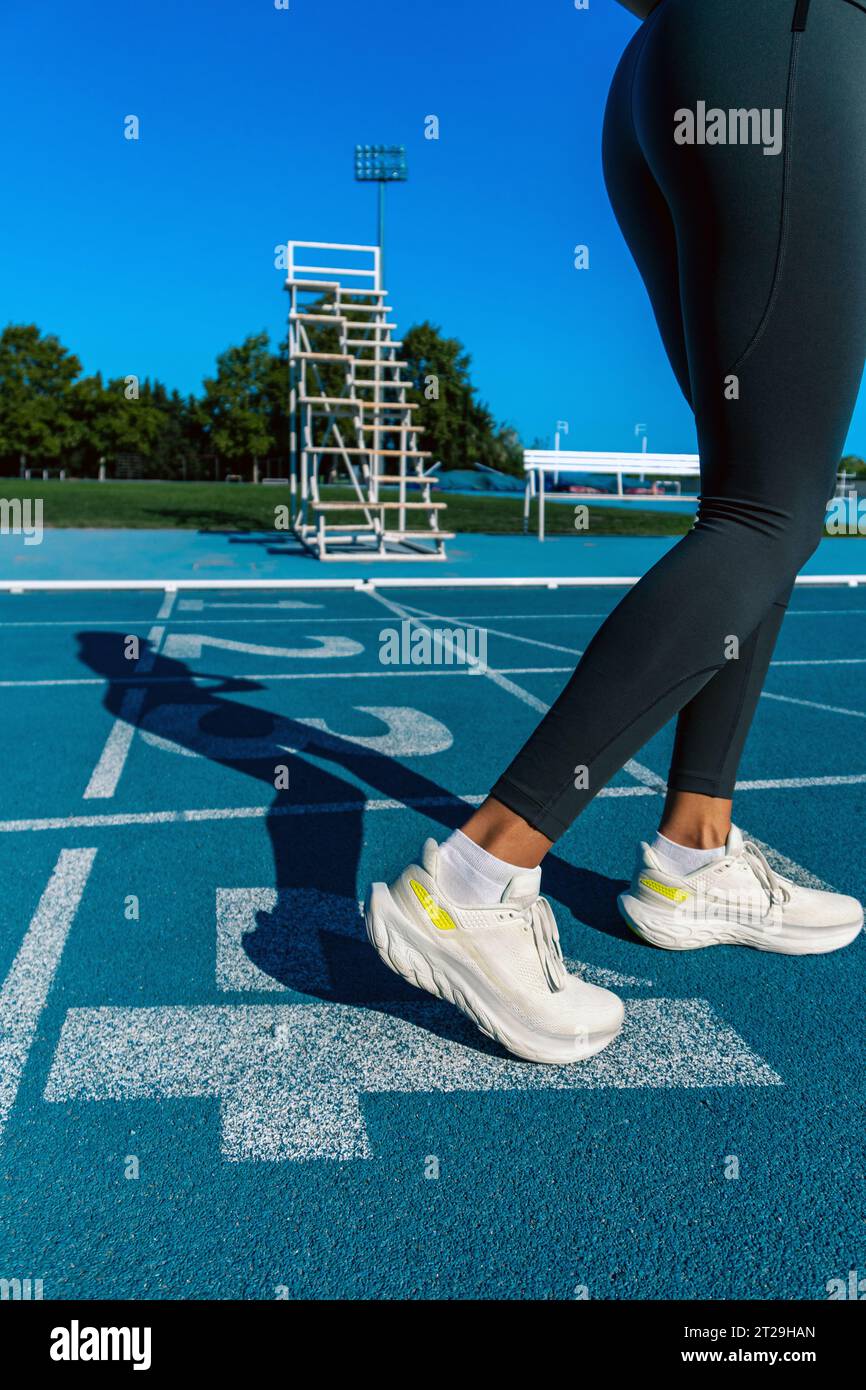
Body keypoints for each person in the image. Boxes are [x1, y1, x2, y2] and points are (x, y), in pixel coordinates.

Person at [365, 0, 866, 1063]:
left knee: (756, 500)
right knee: (766, 509)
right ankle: (470, 881)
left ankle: (694, 851)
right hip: (784, 45)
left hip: (670, 64)